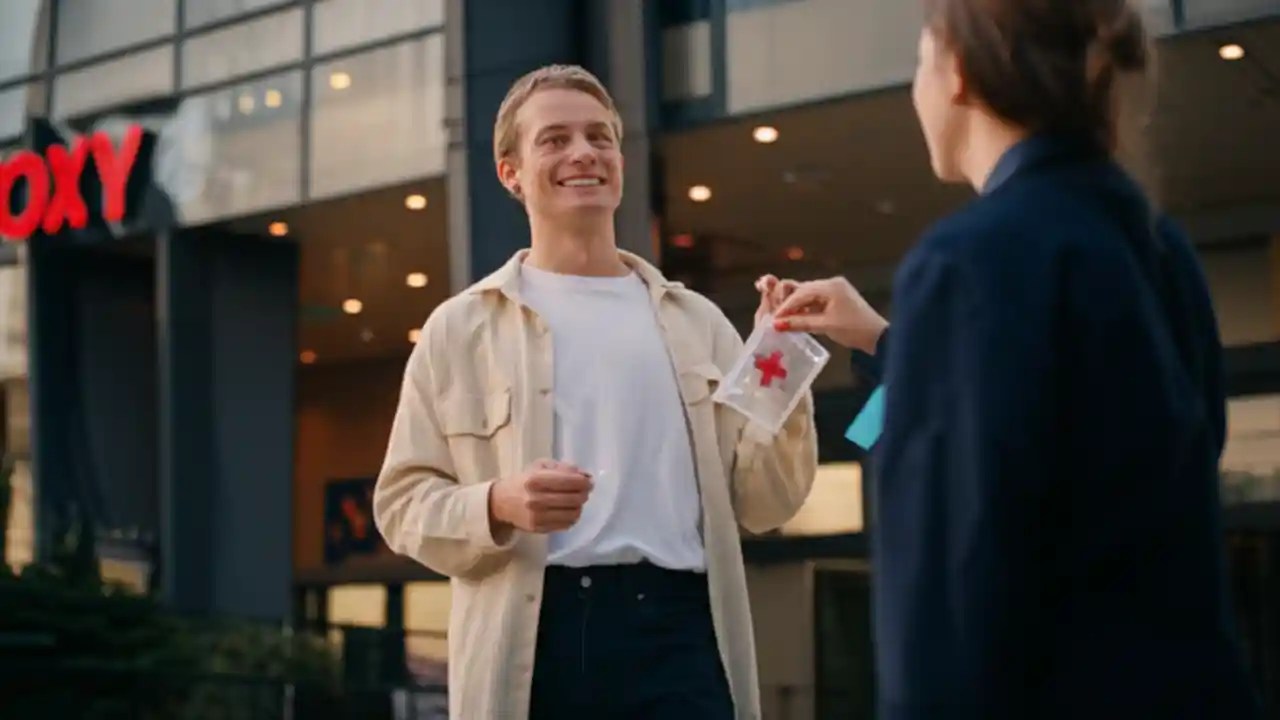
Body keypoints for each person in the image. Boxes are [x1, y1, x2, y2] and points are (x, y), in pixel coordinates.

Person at [763, 1, 1263, 717]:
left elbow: (945, 591)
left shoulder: (966, 261)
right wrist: (885, 340)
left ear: (958, 73)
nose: (916, 88)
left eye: (919, 61)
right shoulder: (1156, 247)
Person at [373, 64, 817, 720]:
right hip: (539, 641)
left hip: (683, 632)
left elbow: (763, 503)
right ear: (510, 172)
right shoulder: (459, 330)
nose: (583, 153)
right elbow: (401, 504)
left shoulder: (700, 325)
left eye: (600, 137)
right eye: (553, 139)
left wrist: (779, 362)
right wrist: (497, 502)